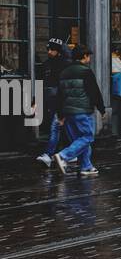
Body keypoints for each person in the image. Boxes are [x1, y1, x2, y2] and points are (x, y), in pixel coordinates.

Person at [52, 45, 106, 177]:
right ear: (84, 56)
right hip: (83, 110)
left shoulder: (64, 72)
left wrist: (60, 114)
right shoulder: (86, 71)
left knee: (79, 140)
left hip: (68, 111)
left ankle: (86, 167)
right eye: (88, 56)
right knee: (87, 137)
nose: (89, 58)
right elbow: (94, 92)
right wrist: (101, 108)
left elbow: (59, 95)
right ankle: (64, 156)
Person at [36, 39, 71, 167]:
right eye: (48, 49)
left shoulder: (65, 65)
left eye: (52, 50)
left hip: (61, 101)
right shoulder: (47, 64)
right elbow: (42, 83)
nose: (49, 52)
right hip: (53, 101)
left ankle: (50, 154)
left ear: (59, 51)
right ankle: (68, 153)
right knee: (64, 128)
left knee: (56, 127)